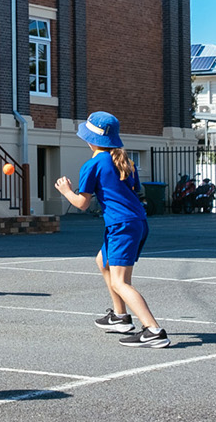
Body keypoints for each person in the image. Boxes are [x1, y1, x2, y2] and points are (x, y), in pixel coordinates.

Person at [53, 111, 171, 348]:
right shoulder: (125, 160)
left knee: (120, 282)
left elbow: (82, 204)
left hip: (121, 225)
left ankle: (153, 330)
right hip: (135, 222)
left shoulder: (93, 164)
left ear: (90, 139)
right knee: (102, 261)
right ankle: (120, 317)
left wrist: (65, 191)